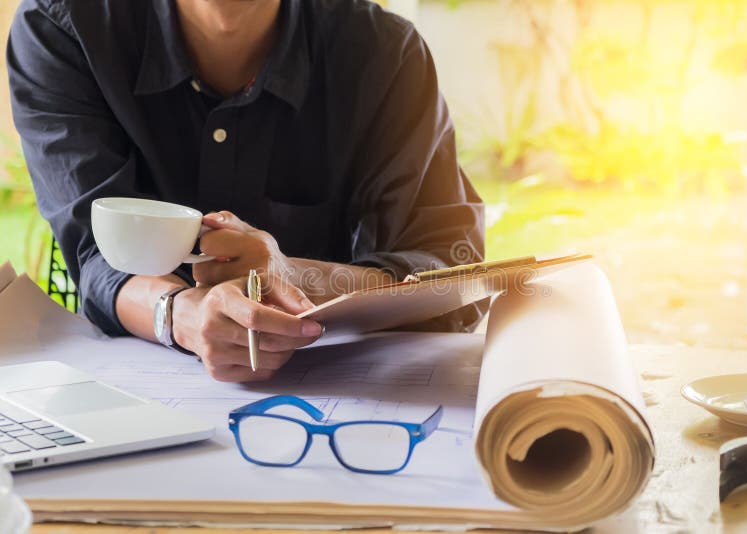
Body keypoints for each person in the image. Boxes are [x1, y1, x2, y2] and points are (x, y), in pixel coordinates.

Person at [6, 0, 485, 382]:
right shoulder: (65, 27)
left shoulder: (384, 54)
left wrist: (295, 276)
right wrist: (179, 315)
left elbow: (456, 277)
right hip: (135, 394)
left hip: (337, 404)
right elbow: (96, 253)